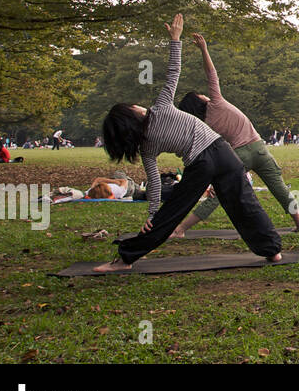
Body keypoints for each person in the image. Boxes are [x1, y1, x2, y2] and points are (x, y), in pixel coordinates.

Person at [93, 14, 282, 272]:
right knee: (243, 202)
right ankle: (272, 251)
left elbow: (155, 182)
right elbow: (174, 71)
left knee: (173, 211)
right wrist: (175, 40)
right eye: (132, 107)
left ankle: (126, 258)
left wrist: (152, 215)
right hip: (222, 152)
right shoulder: (160, 107)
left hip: (203, 161)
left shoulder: (147, 145)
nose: (137, 104)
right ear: (133, 114)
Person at [170, 33, 299, 237]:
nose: (203, 94)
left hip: (239, 154)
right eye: (200, 95)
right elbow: (211, 72)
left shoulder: (203, 124)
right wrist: (204, 49)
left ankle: (181, 229)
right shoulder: (215, 101)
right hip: (259, 148)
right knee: (279, 189)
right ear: (199, 101)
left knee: (219, 195)